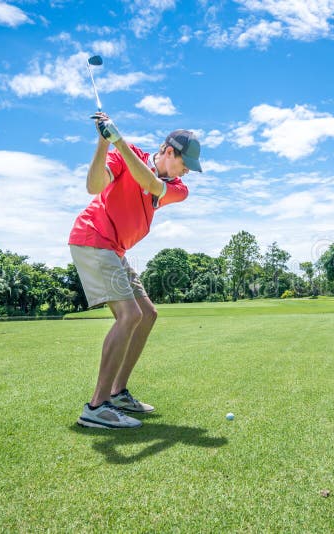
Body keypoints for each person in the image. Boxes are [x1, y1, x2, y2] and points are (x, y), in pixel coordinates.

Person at [69, 111, 202, 429]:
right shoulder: (125, 153)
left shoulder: (177, 188)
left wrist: (118, 142)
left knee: (148, 313)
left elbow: (149, 182)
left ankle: (117, 393)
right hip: (93, 238)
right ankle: (97, 406)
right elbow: (93, 187)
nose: (186, 172)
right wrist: (104, 144)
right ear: (169, 152)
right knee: (129, 315)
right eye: (184, 164)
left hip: (114, 249)